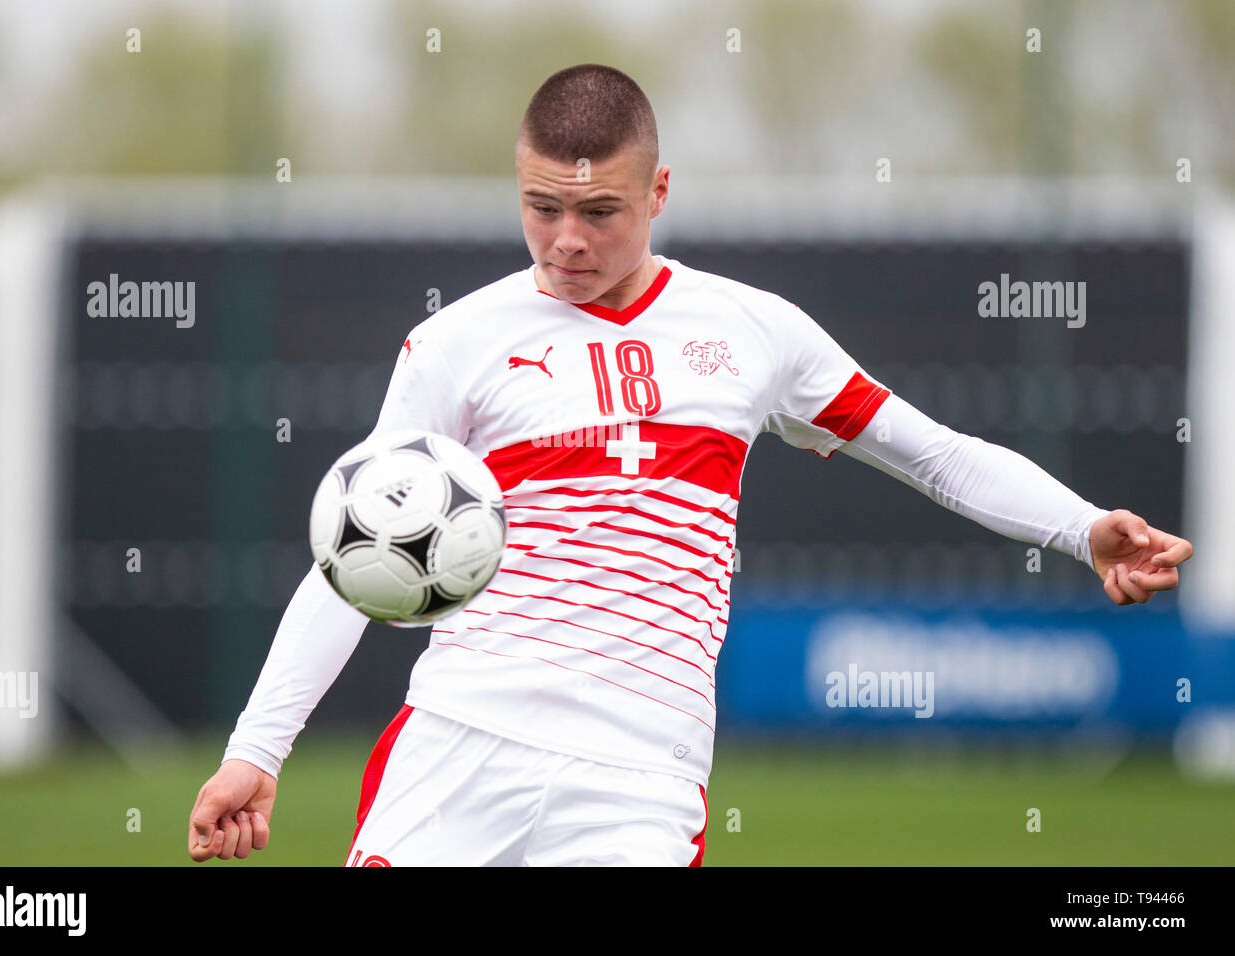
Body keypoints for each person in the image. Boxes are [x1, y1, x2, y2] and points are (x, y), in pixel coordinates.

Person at [188, 64, 1193, 866]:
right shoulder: (455, 342)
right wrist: (254, 750)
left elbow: (935, 455)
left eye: (600, 212)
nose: (566, 240)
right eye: (542, 208)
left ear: (658, 191)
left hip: (641, 773)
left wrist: (1080, 525)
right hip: (459, 736)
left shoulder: (755, 330)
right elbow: (357, 558)